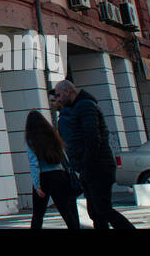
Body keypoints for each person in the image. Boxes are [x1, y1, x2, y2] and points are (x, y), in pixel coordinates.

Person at [53, 80, 134, 230]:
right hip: (91, 166)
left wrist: (86, 163)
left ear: (67, 92)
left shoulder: (85, 106)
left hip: (97, 166)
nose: (57, 99)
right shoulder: (77, 107)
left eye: (58, 95)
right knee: (96, 212)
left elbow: (92, 137)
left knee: (102, 208)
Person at [24, 109, 81, 229]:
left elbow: (34, 163)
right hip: (59, 175)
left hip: (44, 177)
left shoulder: (31, 140)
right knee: (66, 210)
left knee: (38, 214)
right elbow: (63, 156)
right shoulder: (53, 136)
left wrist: (36, 185)